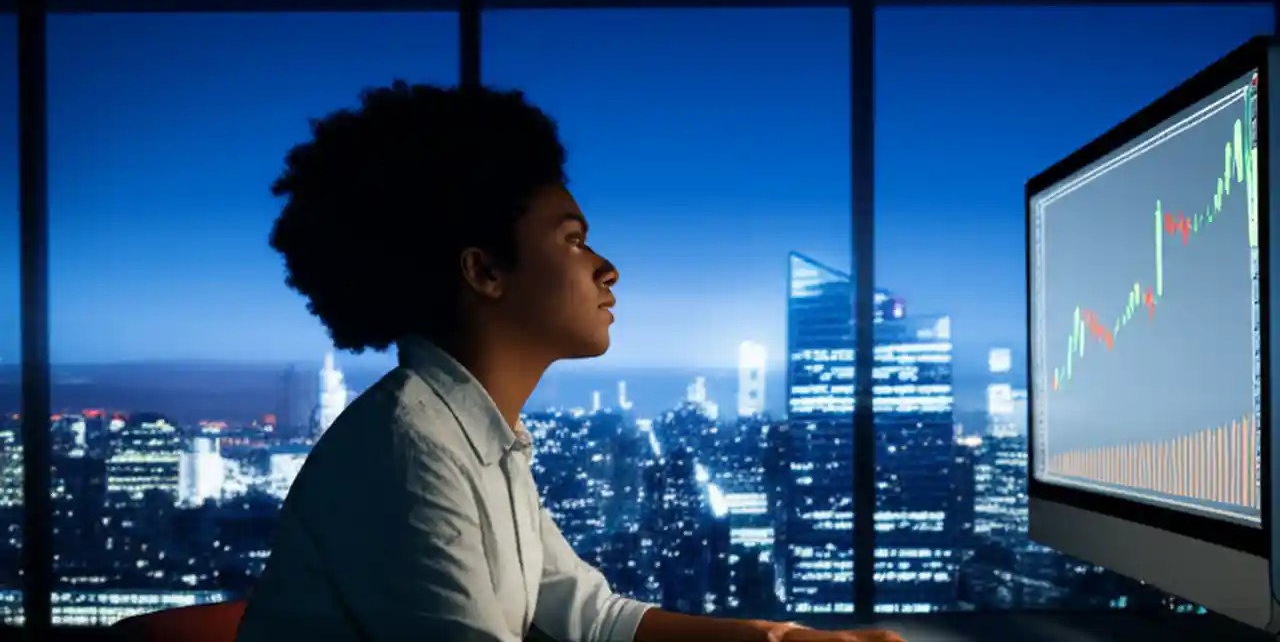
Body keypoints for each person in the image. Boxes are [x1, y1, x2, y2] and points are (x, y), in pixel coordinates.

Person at [235, 81, 905, 642]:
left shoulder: (479, 438)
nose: (608, 268)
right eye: (575, 241)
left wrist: (784, 640)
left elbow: (592, 616)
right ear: (486, 271)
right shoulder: (407, 450)